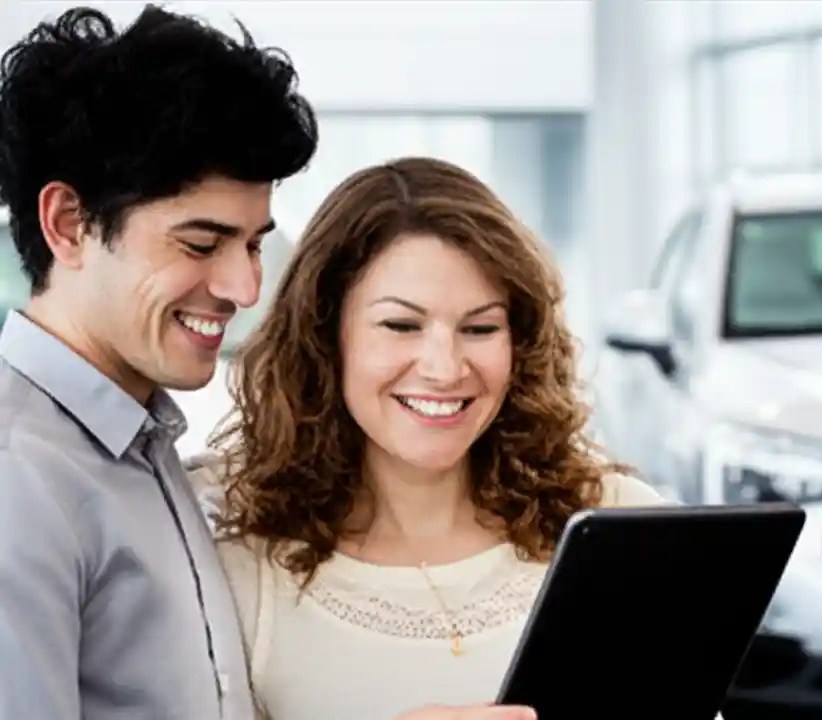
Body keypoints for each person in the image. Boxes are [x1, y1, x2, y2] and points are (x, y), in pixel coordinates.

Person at [185, 156, 667, 720]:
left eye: (480, 328)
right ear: (325, 336)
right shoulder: (229, 542)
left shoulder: (621, 523)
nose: (445, 368)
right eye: (401, 326)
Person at [0, 5, 317, 719]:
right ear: (68, 224)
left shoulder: (136, 443)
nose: (245, 289)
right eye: (201, 245)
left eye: (254, 244)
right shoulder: (18, 476)